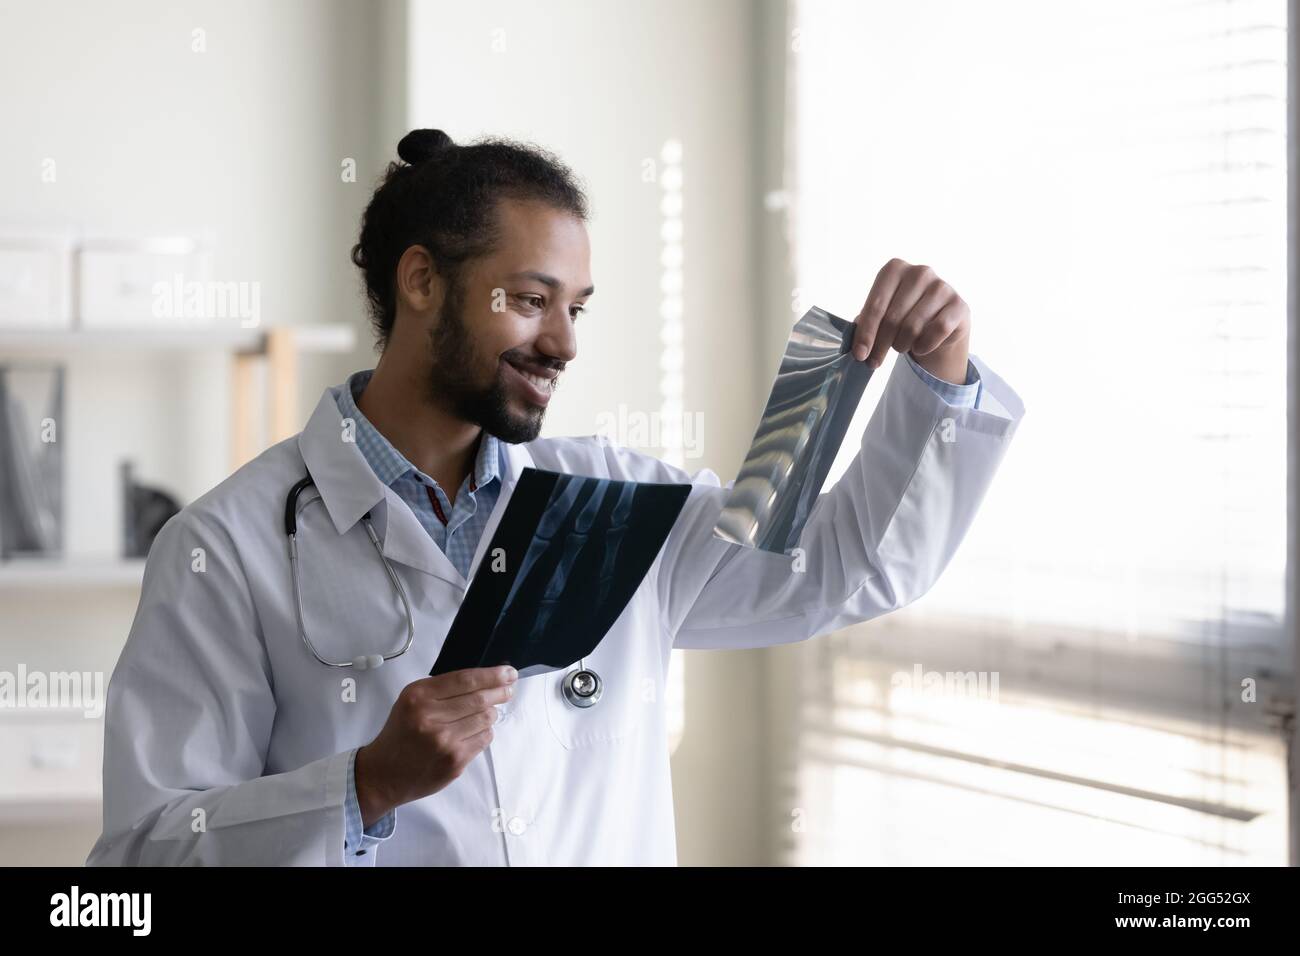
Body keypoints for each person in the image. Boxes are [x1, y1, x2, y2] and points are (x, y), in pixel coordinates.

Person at [87, 128, 1022, 866]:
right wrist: (363, 786)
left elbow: (840, 571)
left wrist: (938, 377)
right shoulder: (227, 545)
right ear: (422, 281)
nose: (565, 343)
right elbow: (143, 859)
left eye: (576, 307)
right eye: (531, 300)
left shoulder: (618, 502)